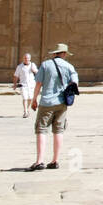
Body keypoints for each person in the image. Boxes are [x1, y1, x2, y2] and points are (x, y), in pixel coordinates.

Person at [28, 43, 79, 171]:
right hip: (62, 103)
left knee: (41, 129)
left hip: (46, 102)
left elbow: (39, 83)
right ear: (64, 54)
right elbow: (75, 84)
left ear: (55, 53)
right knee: (59, 130)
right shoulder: (69, 66)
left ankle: (39, 161)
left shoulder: (45, 65)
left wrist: (34, 99)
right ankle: (55, 160)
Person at [13, 52, 37, 118]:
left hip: (31, 84)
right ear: (23, 59)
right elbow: (16, 76)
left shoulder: (32, 65)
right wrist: (14, 84)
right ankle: (25, 111)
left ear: (30, 59)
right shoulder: (20, 67)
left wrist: (34, 70)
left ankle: (27, 109)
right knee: (25, 98)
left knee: (30, 98)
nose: (26, 59)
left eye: (28, 58)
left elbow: (37, 72)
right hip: (23, 84)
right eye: (25, 58)